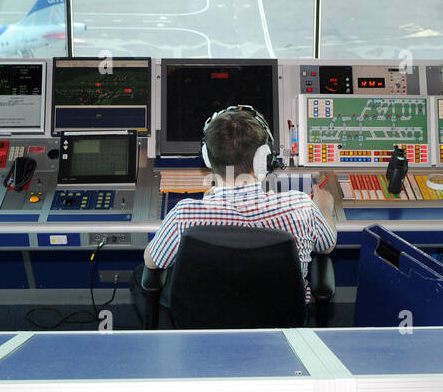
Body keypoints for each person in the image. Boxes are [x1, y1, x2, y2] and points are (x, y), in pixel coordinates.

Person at [137, 106, 337, 317]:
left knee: (141, 277)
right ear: (263, 158)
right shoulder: (301, 206)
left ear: (207, 156)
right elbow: (327, 245)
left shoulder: (184, 215)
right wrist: (324, 207)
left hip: (204, 327)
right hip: (281, 328)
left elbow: (152, 261)